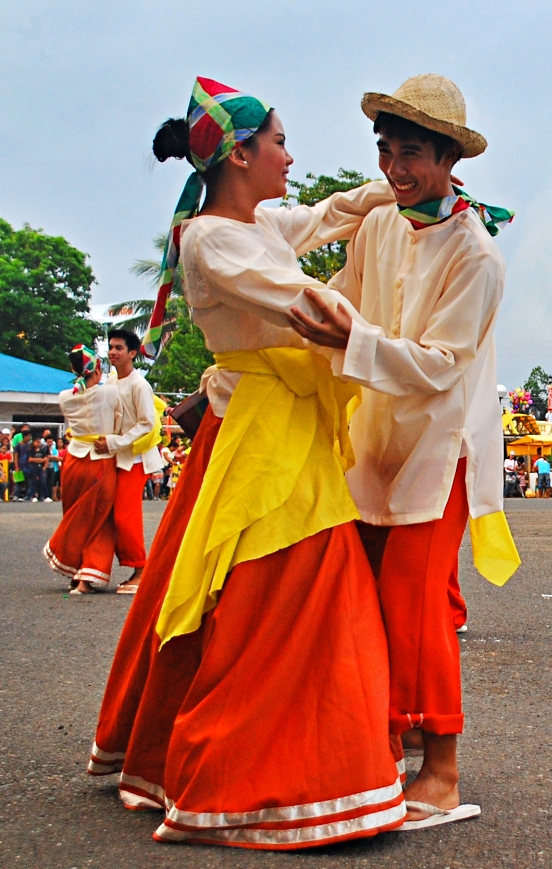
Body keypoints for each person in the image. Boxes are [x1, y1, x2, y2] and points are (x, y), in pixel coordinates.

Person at [89, 77, 403, 848]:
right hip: (260, 427)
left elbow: (328, 213)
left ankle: (298, 757)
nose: (291, 157)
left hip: (273, 417)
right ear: (239, 153)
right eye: (281, 143)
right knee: (291, 586)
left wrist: (402, 184)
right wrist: (406, 348)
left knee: (234, 585)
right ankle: (270, 769)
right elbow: (304, 304)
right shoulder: (211, 238)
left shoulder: (256, 218)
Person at [287, 73, 519, 829]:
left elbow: (439, 364)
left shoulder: (476, 254)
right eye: (386, 150)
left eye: (412, 152)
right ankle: (378, 749)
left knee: (416, 609)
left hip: (437, 450)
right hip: (371, 440)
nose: (395, 168)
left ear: (451, 157)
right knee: (362, 600)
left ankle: (443, 771)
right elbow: (346, 294)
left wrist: (347, 337)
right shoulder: (381, 222)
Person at [44, 346, 120, 593]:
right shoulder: (110, 393)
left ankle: (75, 570)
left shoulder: (65, 396)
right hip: (100, 458)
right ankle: (86, 576)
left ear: (73, 369)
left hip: (74, 461)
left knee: (74, 515)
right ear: (97, 368)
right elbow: (118, 420)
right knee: (99, 518)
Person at [102, 329, 166, 593]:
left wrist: (114, 442)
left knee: (125, 516)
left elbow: (147, 424)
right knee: (103, 514)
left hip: (135, 458)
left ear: (132, 353)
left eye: (119, 348)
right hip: (111, 456)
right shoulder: (109, 382)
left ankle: (141, 570)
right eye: (111, 347)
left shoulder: (140, 385)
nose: (113, 352)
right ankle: (94, 568)